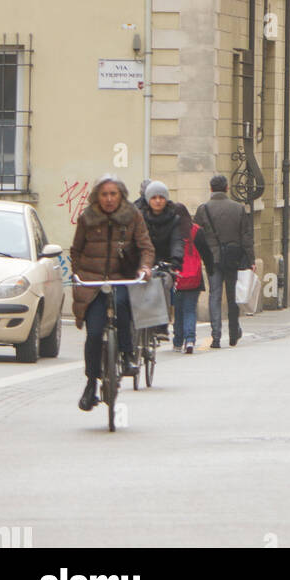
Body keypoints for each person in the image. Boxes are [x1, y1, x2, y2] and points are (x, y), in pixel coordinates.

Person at [71, 175, 154, 411]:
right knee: (95, 333)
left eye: (113, 194)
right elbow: (76, 250)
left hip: (121, 278)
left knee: (123, 306)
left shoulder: (133, 217)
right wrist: (78, 275)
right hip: (93, 283)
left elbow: (146, 247)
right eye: (104, 194)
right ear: (97, 196)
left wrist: (144, 267)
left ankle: (128, 356)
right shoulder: (87, 219)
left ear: (121, 196)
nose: (109, 199)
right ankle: (91, 384)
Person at [194, 175, 255, 349]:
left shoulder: (203, 209)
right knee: (232, 295)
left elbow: (196, 234)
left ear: (211, 189)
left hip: (212, 258)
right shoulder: (238, 208)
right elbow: (246, 237)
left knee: (214, 295)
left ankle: (216, 336)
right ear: (227, 188)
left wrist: (203, 253)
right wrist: (251, 259)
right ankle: (234, 332)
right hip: (234, 257)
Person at [139, 180, 187, 339]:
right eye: (154, 197)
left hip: (164, 262)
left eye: (161, 197)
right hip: (143, 261)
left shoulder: (174, 219)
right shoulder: (139, 217)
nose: (158, 201)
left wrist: (176, 259)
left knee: (163, 282)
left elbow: (177, 241)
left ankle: (161, 325)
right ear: (148, 199)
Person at [173, 216, 210, 353]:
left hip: (177, 276)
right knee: (190, 310)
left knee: (178, 310)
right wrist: (210, 268)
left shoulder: (173, 231)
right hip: (194, 276)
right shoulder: (196, 230)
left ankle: (177, 341)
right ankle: (189, 340)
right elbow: (206, 252)